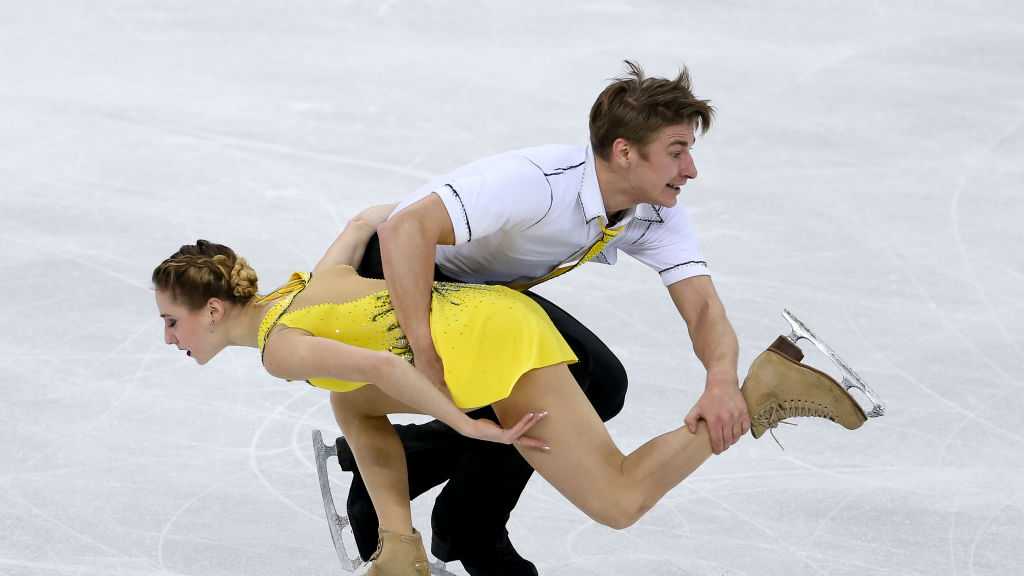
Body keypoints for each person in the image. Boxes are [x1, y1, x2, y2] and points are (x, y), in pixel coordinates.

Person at [152, 228, 871, 575]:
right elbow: (373, 227)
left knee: (618, 500)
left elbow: (377, 365)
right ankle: (407, 536)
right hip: (488, 322)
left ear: (214, 310)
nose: (168, 337)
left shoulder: (280, 348)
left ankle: (763, 389)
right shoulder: (298, 289)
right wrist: (397, 535)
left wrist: (467, 423)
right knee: (360, 408)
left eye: (173, 321)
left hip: (490, 352)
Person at [334, 60, 741, 574]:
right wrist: (424, 350)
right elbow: (403, 231)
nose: (690, 170)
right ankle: (470, 527)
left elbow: (702, 306)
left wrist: (722, 379)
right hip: (398, 276)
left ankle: (418, 467)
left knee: (601, 385)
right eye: (676, 153)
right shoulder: (539, 182)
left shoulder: (653, 209)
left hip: (479, 295)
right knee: (576, 376)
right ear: (624, 152)